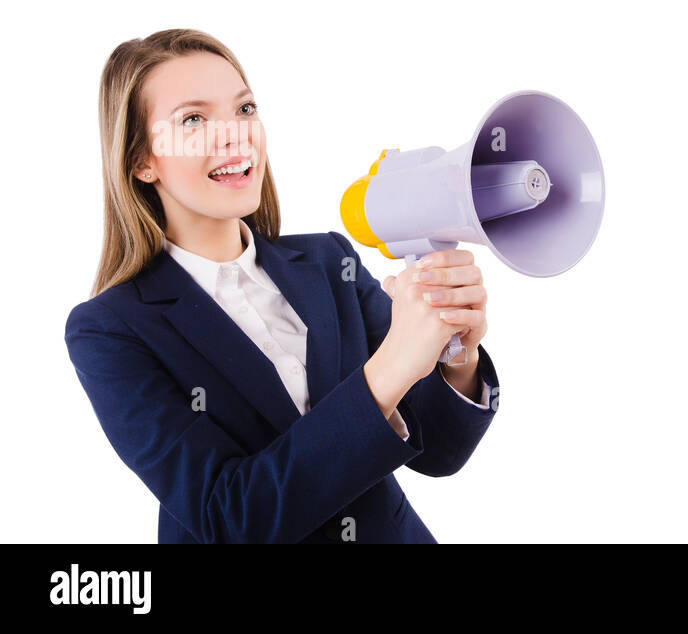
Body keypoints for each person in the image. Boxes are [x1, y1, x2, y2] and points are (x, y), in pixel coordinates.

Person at [64, 28, 499, 543]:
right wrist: (389, 370)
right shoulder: (110, 330)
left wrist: (457, 357)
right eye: (195, 120)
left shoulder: (327, 260)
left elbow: (441, 451)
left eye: (244, 110)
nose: (234, 135)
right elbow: (229, 517)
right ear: (141, 161)